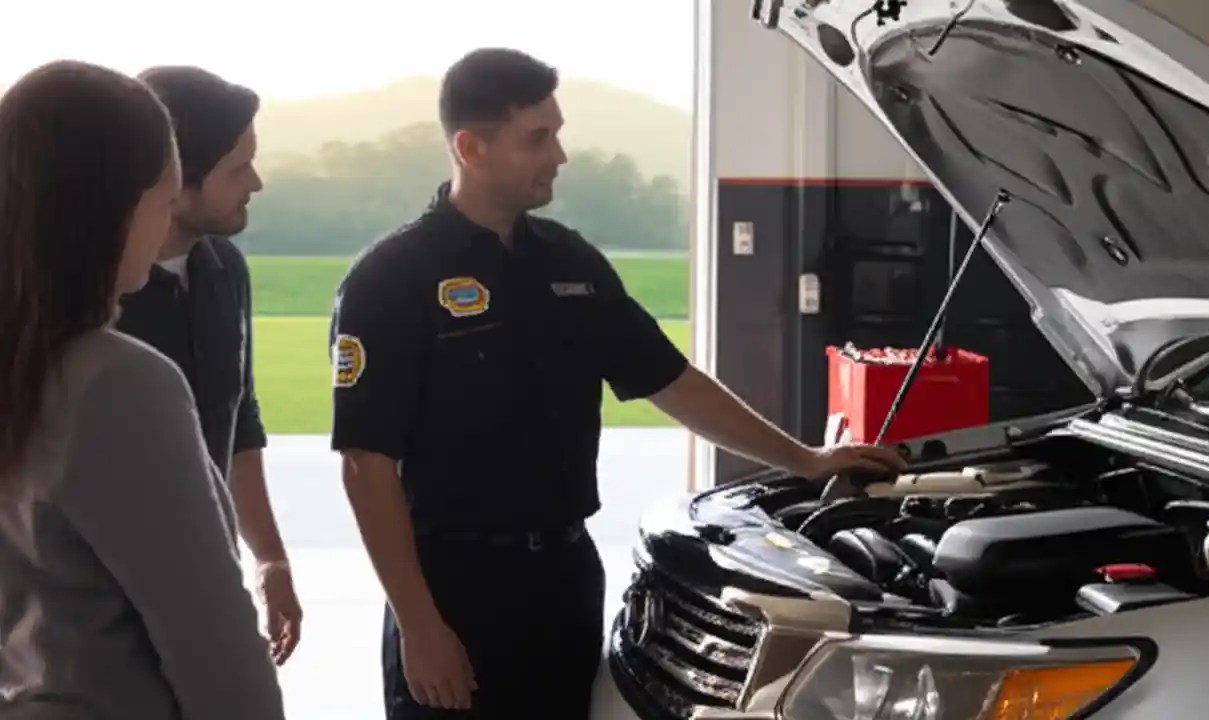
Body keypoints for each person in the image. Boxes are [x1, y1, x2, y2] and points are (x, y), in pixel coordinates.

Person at [328, 48, 906, 719]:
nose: (559, 156)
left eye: (557, 132)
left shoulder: (570, 261)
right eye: (537, 138)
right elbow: (366, 465)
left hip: (563, 579)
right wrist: (421, 628)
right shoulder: (391, 279)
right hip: (453, 589)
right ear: (470, 147)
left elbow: (674, 382)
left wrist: (805, 460)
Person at [0, 60, 286, 720]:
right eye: (162, 200)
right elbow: (216, 655)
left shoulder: (29, 361)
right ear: (121, 208)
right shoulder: (119, 382)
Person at [113, 65, 302, 665]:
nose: (258, 182)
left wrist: (269, 559)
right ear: (175, 180)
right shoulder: (82, 300)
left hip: (210, 590)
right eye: (239, 167)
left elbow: (237, 418)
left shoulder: (226, 270)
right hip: (105, 620)